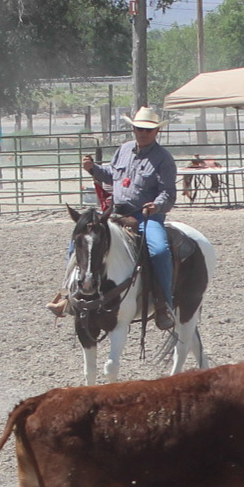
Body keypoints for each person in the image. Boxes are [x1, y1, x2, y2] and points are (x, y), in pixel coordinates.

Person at [79, 107, 181, 328]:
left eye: (148, 129)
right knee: (81, 238)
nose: (142, 133)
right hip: (115, 213)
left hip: (145, 216)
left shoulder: (164, 159)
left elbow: (169, 193)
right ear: (133, 129)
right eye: (138, 128)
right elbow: (111, 175)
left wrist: (157, 205)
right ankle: (69, 294)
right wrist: (93, 169)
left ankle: (164, 304)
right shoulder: (123, 149)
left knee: (160, 250)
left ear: (156, 132)